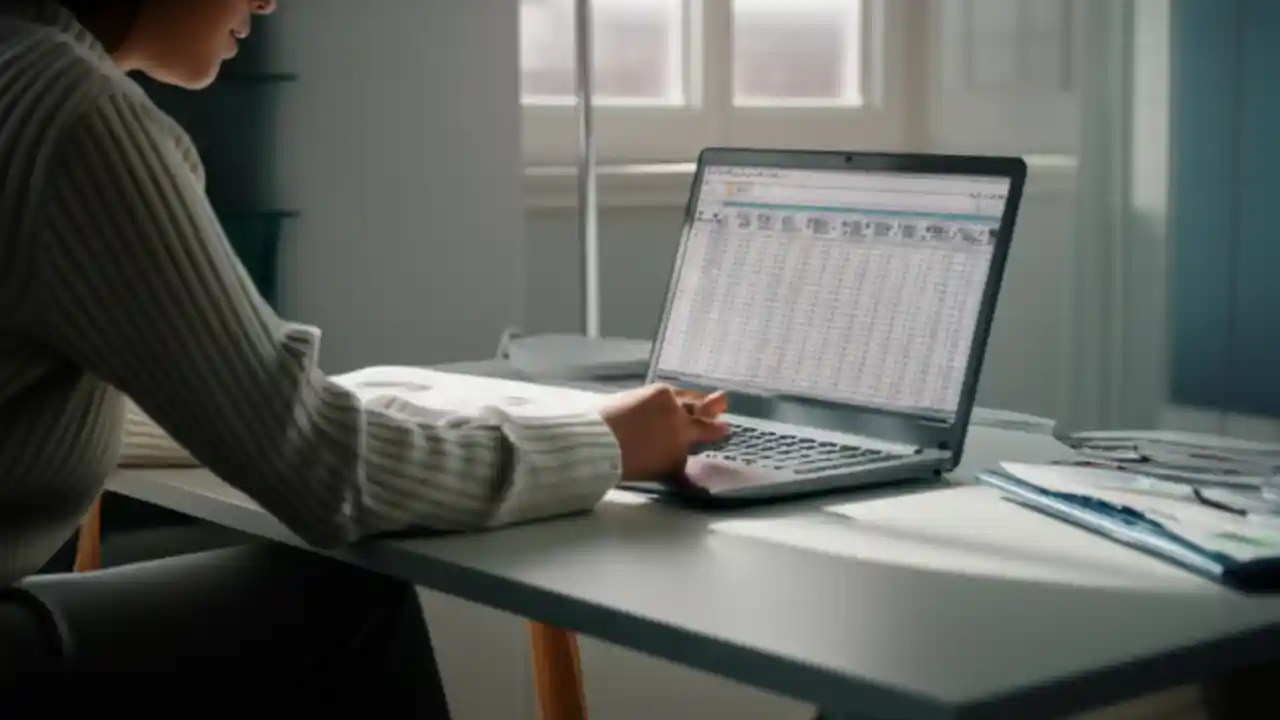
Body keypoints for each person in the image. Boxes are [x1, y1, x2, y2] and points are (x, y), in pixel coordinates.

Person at [0, 0, 729, 712]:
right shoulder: (79, 118)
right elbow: (326, 469)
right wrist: (604, 444)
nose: (270, 2)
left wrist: (259, 411)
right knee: (345, 606)